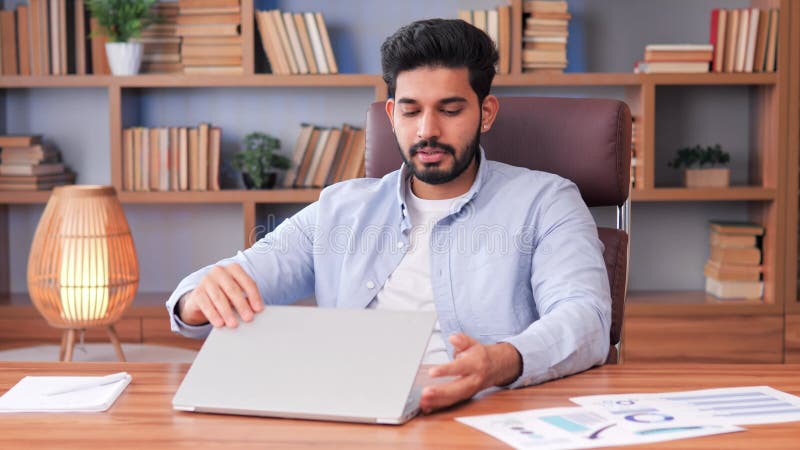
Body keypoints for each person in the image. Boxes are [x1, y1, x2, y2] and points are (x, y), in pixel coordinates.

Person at [166, 18, 610, 413]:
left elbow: (585, 317)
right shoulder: (339, 208)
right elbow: (212, 288)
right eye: (411, 111)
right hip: (348, 409)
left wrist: (501, 362)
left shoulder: (546, 201)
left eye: (450, 110)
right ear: (392, 115)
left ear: (486, 113)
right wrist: (199, 300)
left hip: (487, 409)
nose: (428, 131)